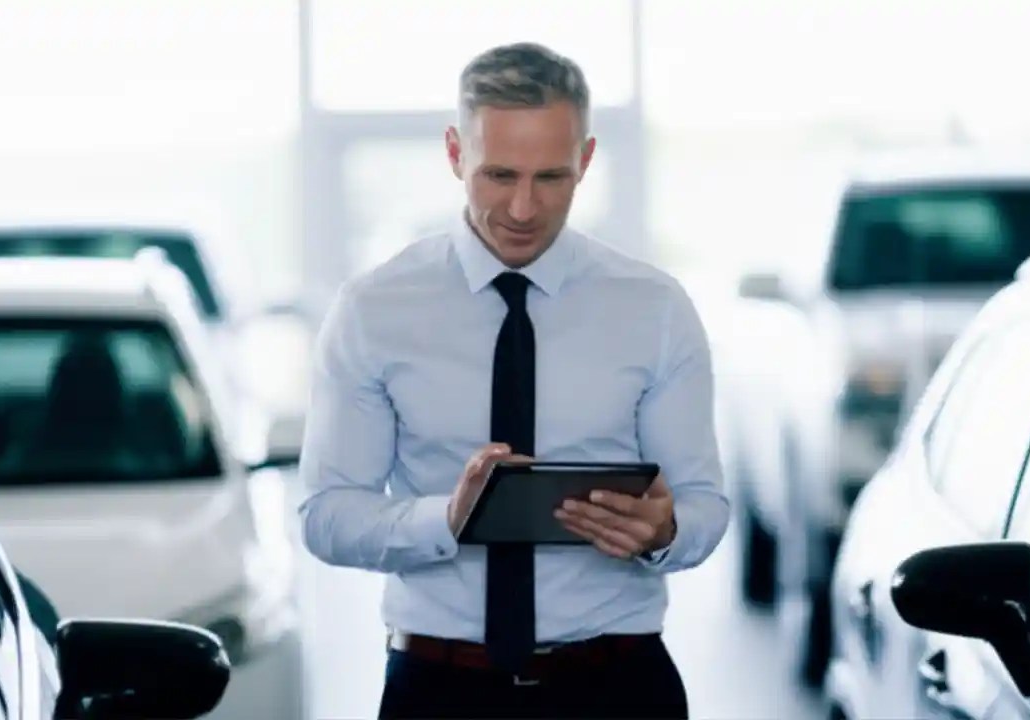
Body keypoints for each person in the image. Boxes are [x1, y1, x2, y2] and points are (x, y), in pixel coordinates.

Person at [298, 41, 730, 720]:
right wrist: (444, 519)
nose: (524, 209)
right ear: (453, 153)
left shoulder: (654, 308)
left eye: (551, 177)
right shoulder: (373, 310)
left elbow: (706, 502)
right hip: (439, 689)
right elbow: (325, 516)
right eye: (499, 175)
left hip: (619, 686)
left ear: (586, 159)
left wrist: (666, 530)